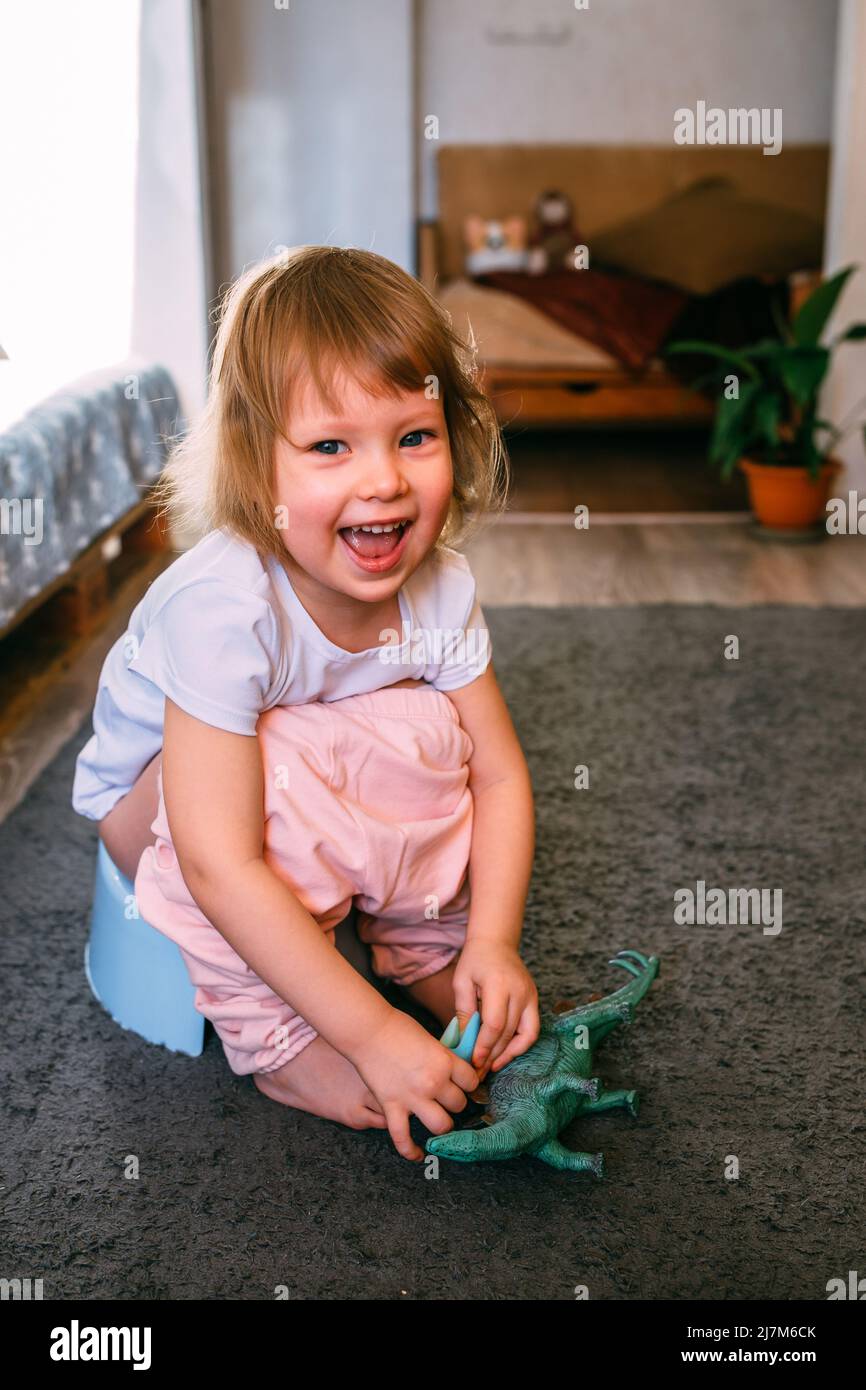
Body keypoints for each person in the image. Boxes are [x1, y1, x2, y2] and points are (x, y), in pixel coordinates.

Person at [71, 245, 539, 1162]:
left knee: (437, 730)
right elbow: (220, 864)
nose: (385, 482)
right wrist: (370, 1036)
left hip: (301, 776)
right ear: (256, 465)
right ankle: (278, 1038)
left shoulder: (439, 589)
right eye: (331, 446)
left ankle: (420, 946)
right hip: (164, 822)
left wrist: (494, 939)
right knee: (287, 757)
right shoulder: (223, 608)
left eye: (415, 435)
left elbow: (502, 774)